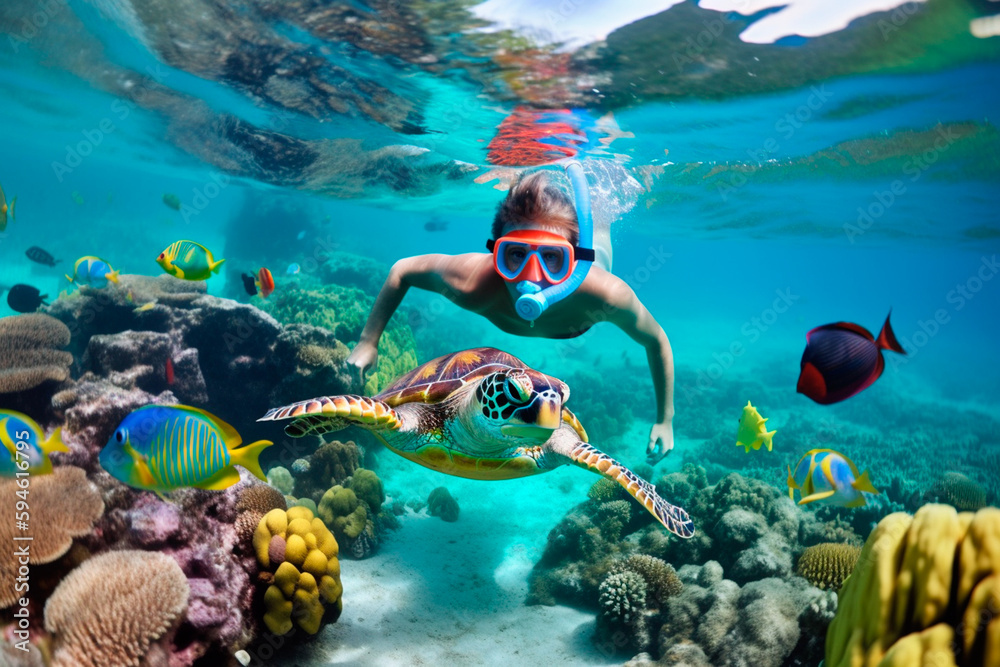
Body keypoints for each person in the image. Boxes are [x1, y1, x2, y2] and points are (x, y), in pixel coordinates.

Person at [346, 163, 677, 463]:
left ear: (575, 263)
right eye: (515, 254)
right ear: (495, 252)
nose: (530, 277)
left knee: (598, 230)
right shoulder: (473, 283)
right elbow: (401, 270)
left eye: (553, 258)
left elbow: (657, 341)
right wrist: (367, 341)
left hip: (597, 253)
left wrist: (666, 419)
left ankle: (574, 222)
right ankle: (526, 181)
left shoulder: (605, 295)